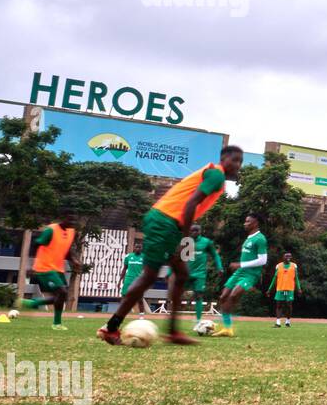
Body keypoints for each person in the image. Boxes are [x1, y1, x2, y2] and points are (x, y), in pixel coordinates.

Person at [97, 146, 244, 344]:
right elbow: (191, 203)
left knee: (181, 274)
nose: (238, 165)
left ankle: (173, 331)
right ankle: (111, 327)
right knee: (149, 276)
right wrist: (185, 239)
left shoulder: (214, 176)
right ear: (223, 159)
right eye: (234, 160)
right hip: (166, 223)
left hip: (168, 223)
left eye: (240, 161)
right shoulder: (216, 174)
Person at [17, 211, 81, 330]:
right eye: (70, 220)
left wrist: (73, 260)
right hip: (44, 268)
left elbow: (67, 250)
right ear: (63, 218)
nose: (73, 223)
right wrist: (31, 265)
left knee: (61, 295)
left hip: (58, 269)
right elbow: (36, 245)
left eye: (74, 221)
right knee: (61, 292)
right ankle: (56, 324)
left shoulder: (71, 231)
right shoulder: (50, 230)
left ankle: (32, 304)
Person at [214, 214, 268, 337]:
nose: (245, 223)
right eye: (245, 221)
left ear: (255, 223)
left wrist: (240, 265)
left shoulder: (260, 239)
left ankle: (228, 329)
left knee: (233, 295)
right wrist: (240, 267)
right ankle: (225, 328)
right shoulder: (248, 238)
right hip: (240, 272)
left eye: (248, 222)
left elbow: (263, 260)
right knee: (223, 297)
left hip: (251, 274)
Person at [185, 223, 224, 322]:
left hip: (200, 274)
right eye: (192, 230)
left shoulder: (206, 242)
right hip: (186, 273)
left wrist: (219, 267)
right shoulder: (186, 242)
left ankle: (198, 320)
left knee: (199, 295)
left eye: (196, 230)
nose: (194, 232)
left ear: (200, 231)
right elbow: (180, 259)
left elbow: (215, 255)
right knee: (176, 293)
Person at [267, 252, 301, 328]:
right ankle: (278, 323)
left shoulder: (294, 266)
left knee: (289, 306)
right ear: (283, 257)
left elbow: (296, 278)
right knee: (279, 305)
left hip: (290, 289)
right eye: (287, 256)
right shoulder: (278, 266)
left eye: (290, 256)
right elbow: (274, 278)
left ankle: (288, 322)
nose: (288, 257)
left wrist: (299, 288)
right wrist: (269, 289)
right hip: (280, 289)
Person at [119, 236, 152, 316]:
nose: (138, 248)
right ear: (134, 248)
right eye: (137, 247)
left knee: (139, 298)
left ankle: (141, 315)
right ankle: (122, 313)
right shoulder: (128, 256)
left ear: (141, 248)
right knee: (124, 296)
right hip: (128, 279)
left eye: (140, 247)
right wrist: (120, 280)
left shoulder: (144, 257)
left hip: (138, 280)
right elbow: (124, 269)